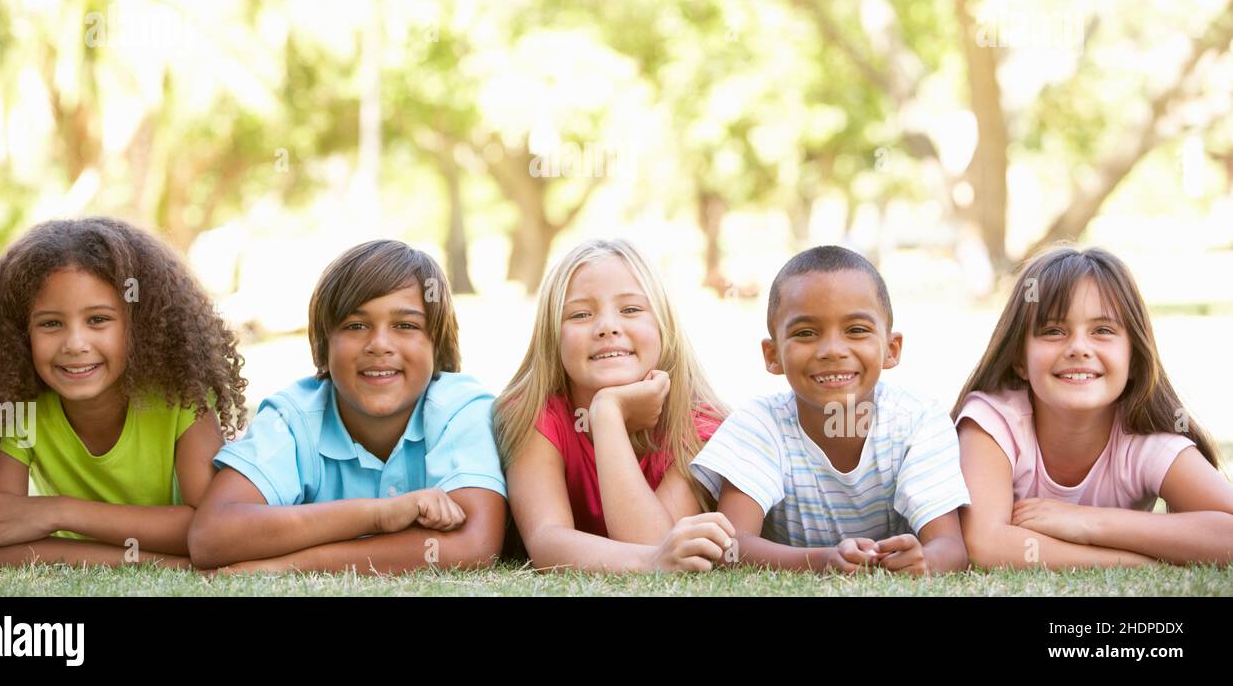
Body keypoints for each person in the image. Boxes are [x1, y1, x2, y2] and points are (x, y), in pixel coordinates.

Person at [189, 240, 506, 573]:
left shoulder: (460, 409)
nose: (380, 345)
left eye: (406, 326)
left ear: (437, 343)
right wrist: (379, 514)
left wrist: (296, 563)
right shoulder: (293, 417)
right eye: (356, 326)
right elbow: (211, 536)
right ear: (324, 344)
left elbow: (475, 545)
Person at [0, 217, 246, 568]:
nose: (75, 344)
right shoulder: (13, 407)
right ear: (19, 333)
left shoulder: (181, 397)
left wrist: (57, 512)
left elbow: (214, 528)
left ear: (141, 324)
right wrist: (168, 563)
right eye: (50, 324)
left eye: (98, 320)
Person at [692, 245, 970, 574]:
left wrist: (925, 560)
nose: (833, 350)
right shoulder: (759, 425)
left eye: (856, 330)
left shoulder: (919, 422)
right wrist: (823, 560)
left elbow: (951, 548)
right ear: (772, 355)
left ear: (891, 349)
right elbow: (731, 546)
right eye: (805, 333)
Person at [952, 245, 1233, 568]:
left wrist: (1088, 522)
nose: (1078, 348)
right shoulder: (992, 421)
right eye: (1053, 331)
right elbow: (984, 544)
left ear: (1134, 357)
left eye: (1102, 331)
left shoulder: (1146, 440)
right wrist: (1130, 563)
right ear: (1019, 359)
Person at [495, 238, 735, 572]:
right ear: (553, 336)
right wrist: (610, 410)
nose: (608, 327)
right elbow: (546, 541)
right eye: (580, 314)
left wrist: (606, 414)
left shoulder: (699, 425)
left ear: (665, 325)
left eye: (631, 310)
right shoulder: (535, 413)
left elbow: (654, 540)